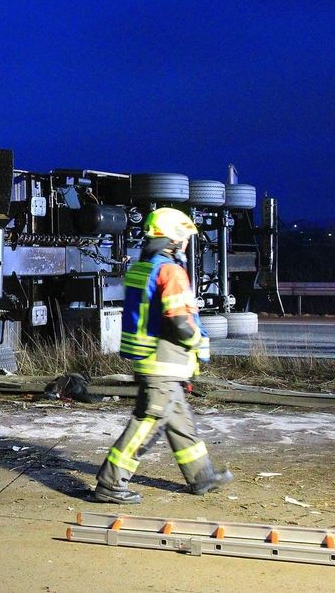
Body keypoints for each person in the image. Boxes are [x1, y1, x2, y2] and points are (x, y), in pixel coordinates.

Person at [93, 207, 232, 504]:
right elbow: (180, 321)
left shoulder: (143, 268)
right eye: (184, 237)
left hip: (152, 360)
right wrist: (197, 341)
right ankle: (111, 483)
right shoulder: (171, 271)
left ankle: (202, 476)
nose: (186, 243)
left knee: (180, 421)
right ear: (173, 238)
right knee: (147, 423)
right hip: (164, 363)